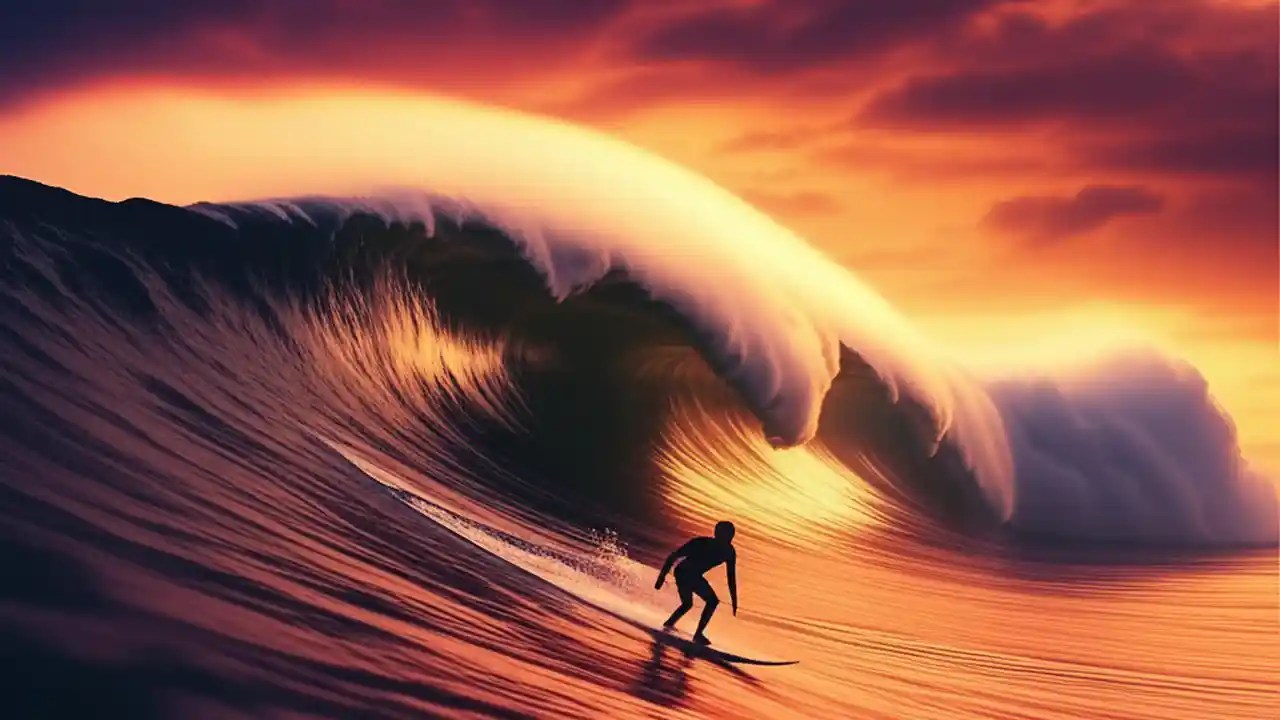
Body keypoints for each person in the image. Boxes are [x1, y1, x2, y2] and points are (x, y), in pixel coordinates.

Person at [654, 520, 738, 645]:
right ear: (717, 534)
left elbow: (731, 576)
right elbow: (674, 556)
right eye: (726, 535)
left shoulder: (729, 552)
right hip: (683, 572)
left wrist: (734, 600)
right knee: (711, 601)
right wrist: (661, 577)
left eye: (731, 535)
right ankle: (697, 635)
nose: (729, 538)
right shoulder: (700, 543)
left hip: (694, 576)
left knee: (688, 604)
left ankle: (669, 624)